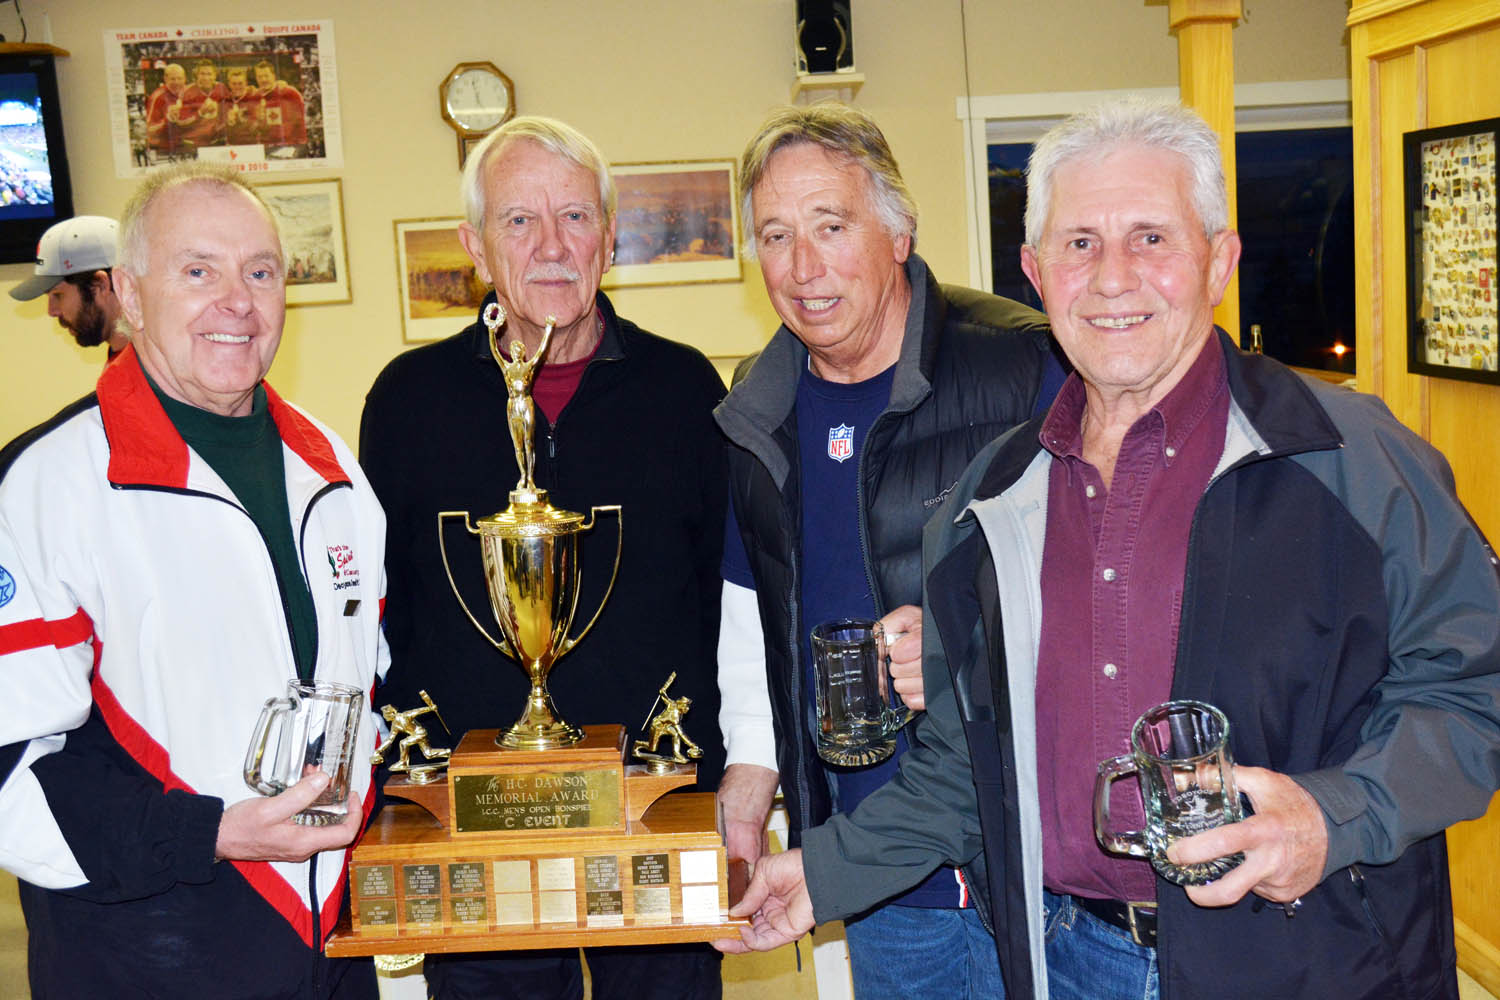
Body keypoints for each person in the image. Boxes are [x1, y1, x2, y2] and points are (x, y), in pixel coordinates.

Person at [721, 98, 1500, 1000]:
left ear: (1220, 259)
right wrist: (820, 874)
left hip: (1309, 953)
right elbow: (962, 771)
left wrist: (1336, 816)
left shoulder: (1350, 458)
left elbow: (1474, 686)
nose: (1113, 277)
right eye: (1080, 243)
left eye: (1152, 239)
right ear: (1035, 272)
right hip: (1069, 961)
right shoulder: (990, 503)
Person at [360, 115, 727, 1000]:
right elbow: (382, 611)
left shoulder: (686, 392)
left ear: (609, 236)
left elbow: (732, 601)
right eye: (519, 220)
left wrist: (738, 777)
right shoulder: (408, 402)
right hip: (477, 822)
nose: (551, 245)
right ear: (476, 246)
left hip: (652, 808)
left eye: (574, 217)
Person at [0, 161, 387, 997]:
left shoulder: (332, 470)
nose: (237, 301)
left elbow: (370, 678)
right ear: (131, 296)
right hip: (147, 949)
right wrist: (211, 832)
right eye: (198, 271)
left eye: (260, 271)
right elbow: (12, 772)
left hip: (329, 946)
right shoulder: (45, 484)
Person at [713, 102, 1061, 998]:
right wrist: (752, 771)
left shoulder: (1029, 368)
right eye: (777, 235)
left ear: (898, 232)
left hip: (1039, 858)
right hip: (883, 878)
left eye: (832, 226)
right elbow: (753, 599)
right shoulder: (757, 407)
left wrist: (959, 633)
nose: (803, 267)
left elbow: (1116, 577)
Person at [8, 215, 128, 358]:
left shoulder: (148, 371)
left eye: (58, 295)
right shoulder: (125, 360)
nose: (51, 311)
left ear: (100, 285)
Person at [254, 60, 307, 149]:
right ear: (256, 78)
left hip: (289, 147)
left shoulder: (290, 93)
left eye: (266, 76)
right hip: (264, 148)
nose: (263, 80)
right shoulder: (254, 97)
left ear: (273, 76)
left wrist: (299, 147)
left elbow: (301, 123)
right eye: (260, 77)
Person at [144, 63, 189, 156]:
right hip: (165, 150)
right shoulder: (157, 97)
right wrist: (168, 120)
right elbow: (149, 129)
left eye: (180, 78)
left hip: (188, 146)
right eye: (173, 79)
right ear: (165, 79)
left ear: (185, 79)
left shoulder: (190, 92)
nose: (176, 82)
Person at [223, 67, 265, 146]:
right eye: (234, 84)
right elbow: (221, 129)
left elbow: (259, 125)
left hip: (252, 144)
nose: (237, 86)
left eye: (240, 83)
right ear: (229, 84)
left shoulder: (255, 96)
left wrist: (241, 119)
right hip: (232, 145)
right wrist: (229, 122)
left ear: (246, 83)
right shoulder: (226, 100)